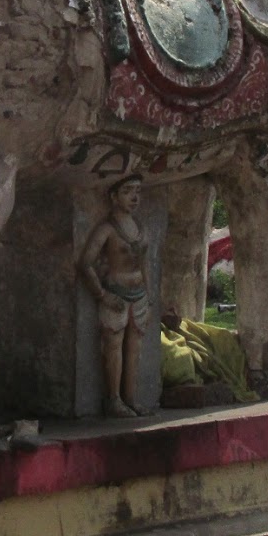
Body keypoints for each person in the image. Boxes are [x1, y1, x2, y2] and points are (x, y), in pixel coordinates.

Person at [77, 174, 151, 418]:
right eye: (128, 191)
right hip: (115, 293)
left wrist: (149, 296)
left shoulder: (140, 228)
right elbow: (86, 263)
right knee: (113, 346)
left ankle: (131, 397)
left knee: (135, 347)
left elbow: (144, 265)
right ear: (113, 197)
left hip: (138, 294)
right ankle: (114, 399)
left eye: (137, 191)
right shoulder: (107, 229)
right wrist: (102, 295)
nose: (134, 197)